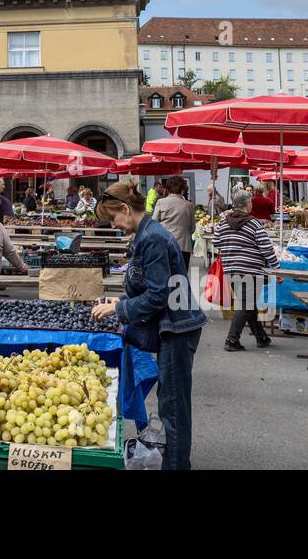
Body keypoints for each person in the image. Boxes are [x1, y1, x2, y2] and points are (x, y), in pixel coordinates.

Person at [92, 180, 205, 470]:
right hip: (173, 324)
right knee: (171, 401)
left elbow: (158, 294)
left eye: (113, 218)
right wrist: (118, 302)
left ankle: (177, 466)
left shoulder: (152, 238)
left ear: (126, 210)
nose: (114, 225)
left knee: (173, 405)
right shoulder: (146, 234)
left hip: (178, 326)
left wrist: (120, 309)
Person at [216, 189, 278, 351]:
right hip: (251, 269)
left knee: (248, 304)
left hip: (230, 268)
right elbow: (266, 248)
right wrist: (276, 268)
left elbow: (216, 242)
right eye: (250, 202)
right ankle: (232, 340)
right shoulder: (253, 223)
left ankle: (261, 337)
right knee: (245, 304)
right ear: (246, 204)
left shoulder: (223, 222)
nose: (252, 204)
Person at [153, 176, 196, 270]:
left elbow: (154, 224)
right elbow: (193, 228)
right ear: (183, 189)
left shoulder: (161, 202)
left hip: (164, 245)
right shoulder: (189, 205)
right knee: (181, 277)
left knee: (165, 276)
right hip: (183, 246)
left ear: (167, 189)